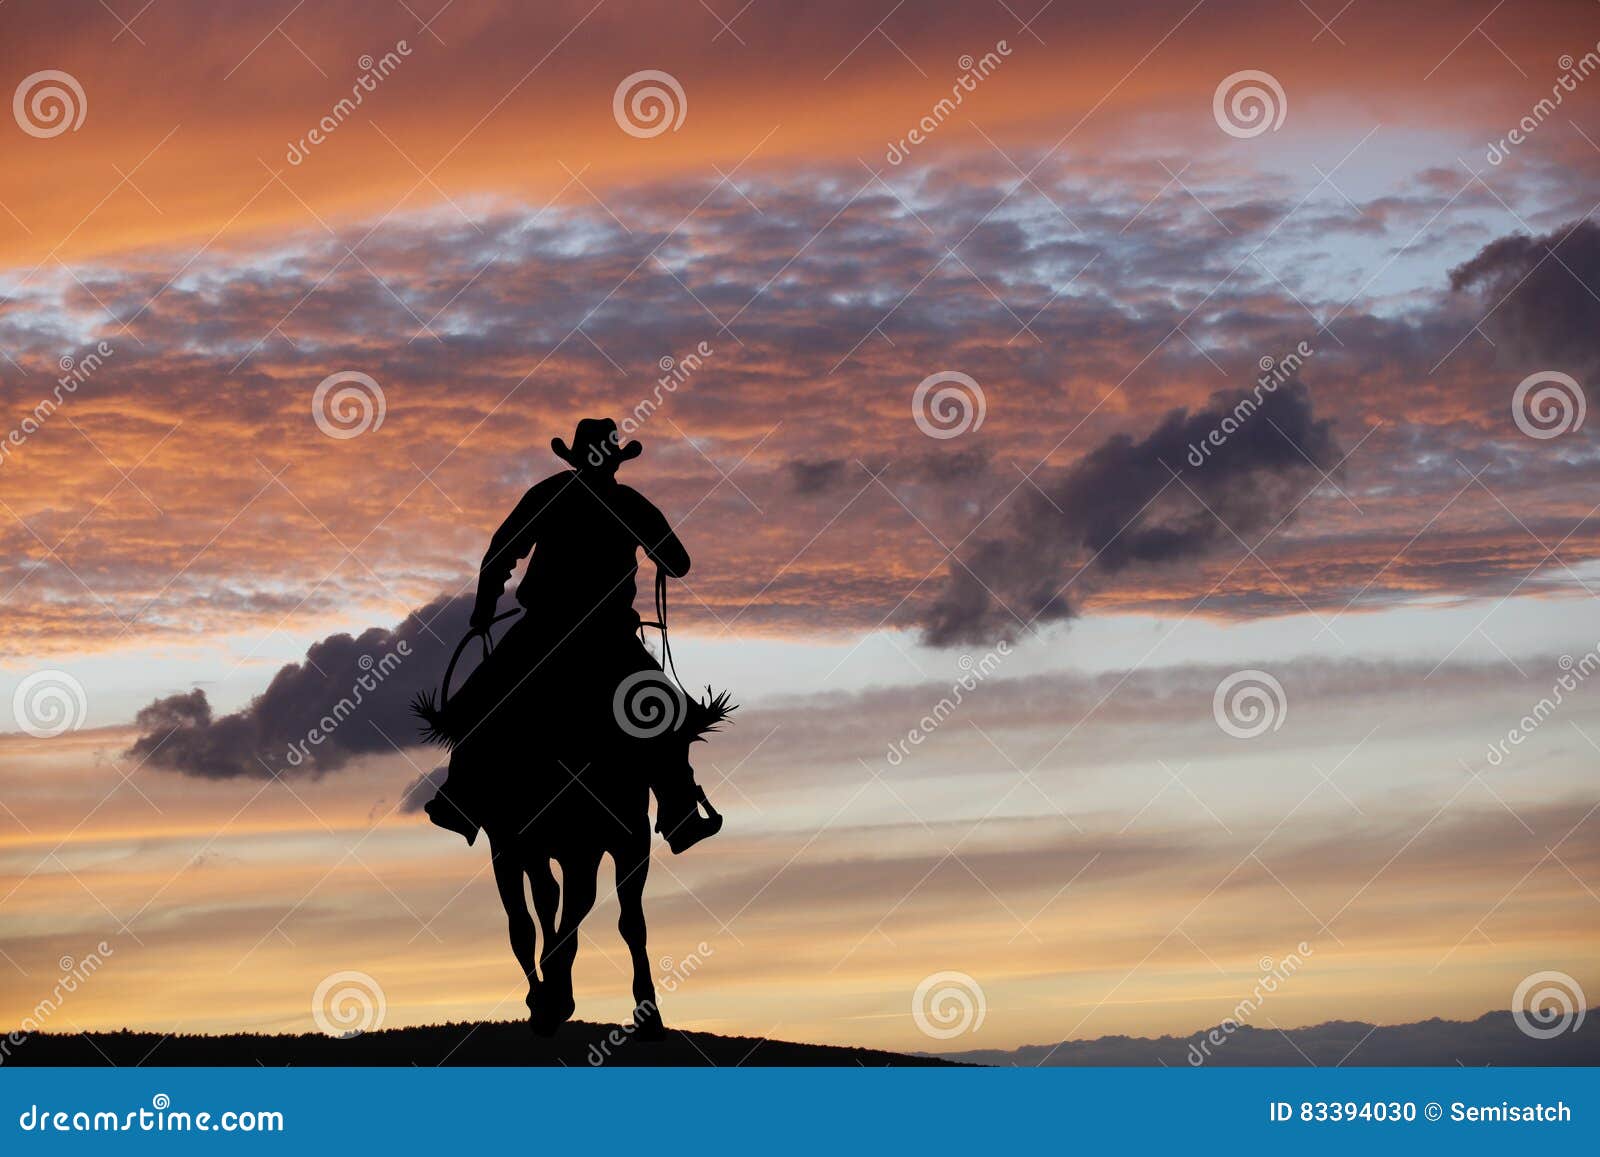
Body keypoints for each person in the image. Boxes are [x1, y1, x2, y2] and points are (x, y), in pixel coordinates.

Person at [419, 418, 723, 854]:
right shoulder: (629, 503)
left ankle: (460, 800)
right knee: (664, 713)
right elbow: (678, 563)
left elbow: (502, 550)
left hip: (545, 631)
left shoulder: (550, 493)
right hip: (608, 639)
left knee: (481, 698)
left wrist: (484, 610)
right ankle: (679, 815)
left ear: (577, 457)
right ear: (615, 460)